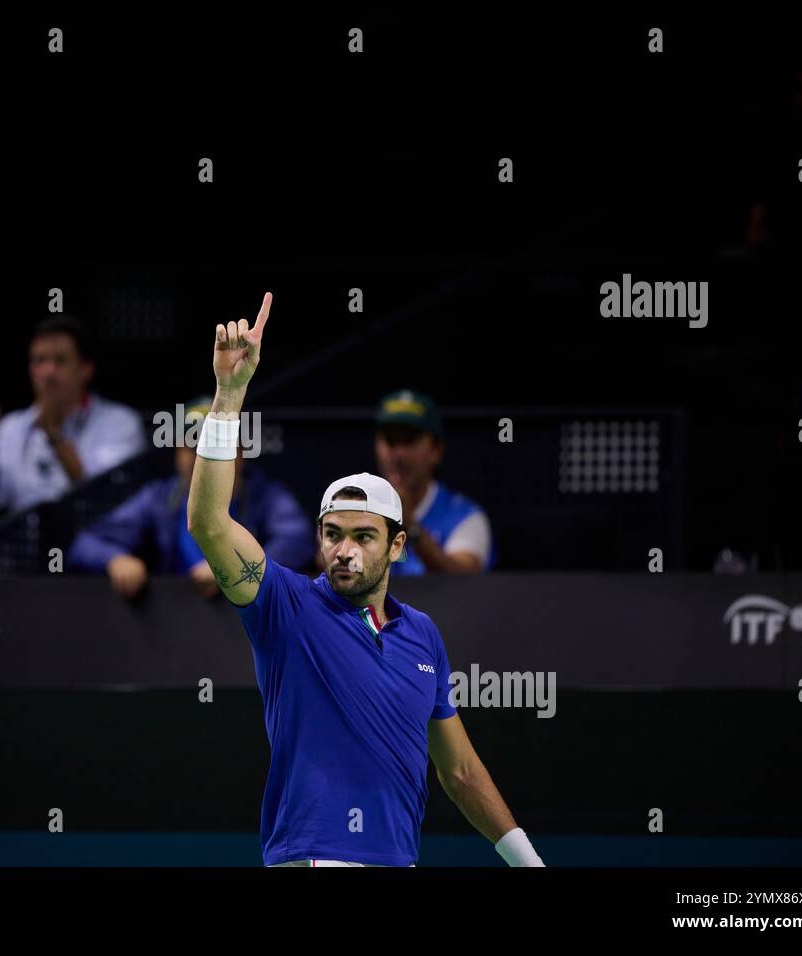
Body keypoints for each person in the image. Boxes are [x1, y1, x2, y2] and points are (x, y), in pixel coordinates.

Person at [187, 292, 543, 868]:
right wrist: (230, 397)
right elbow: (208, 523)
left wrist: (530, 864)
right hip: (313, 859)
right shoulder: (284, 605)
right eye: (332, 534)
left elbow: (459, 771)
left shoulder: (423, 635)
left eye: (363, 536)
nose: (343, 550)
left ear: (397, 546)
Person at [68, 396, 310, 599]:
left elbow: (298, 540)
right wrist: (115, 560)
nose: (206, 458)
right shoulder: (159, 498)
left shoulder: (266, 496)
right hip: (177, 623)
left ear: (241, 452)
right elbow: (85, 543)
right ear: (178, 454)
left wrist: (236, 567)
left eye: (218, 445)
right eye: (195, 446)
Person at [0, 315, 146, 514]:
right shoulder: (11, 427)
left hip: (90, 537)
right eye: (40, 361)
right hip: (25, 541)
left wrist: (53, 433)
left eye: (60, 360)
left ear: (86, 369)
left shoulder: (120, 423)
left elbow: (106, 497)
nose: (48, 372)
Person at [373, 389, 493, 574]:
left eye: (409, 440)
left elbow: (465, 580)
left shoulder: (466, 517)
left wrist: (409, 525)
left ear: (436, 451)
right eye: (391, 440)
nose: (399, 454)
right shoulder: (357, 510)